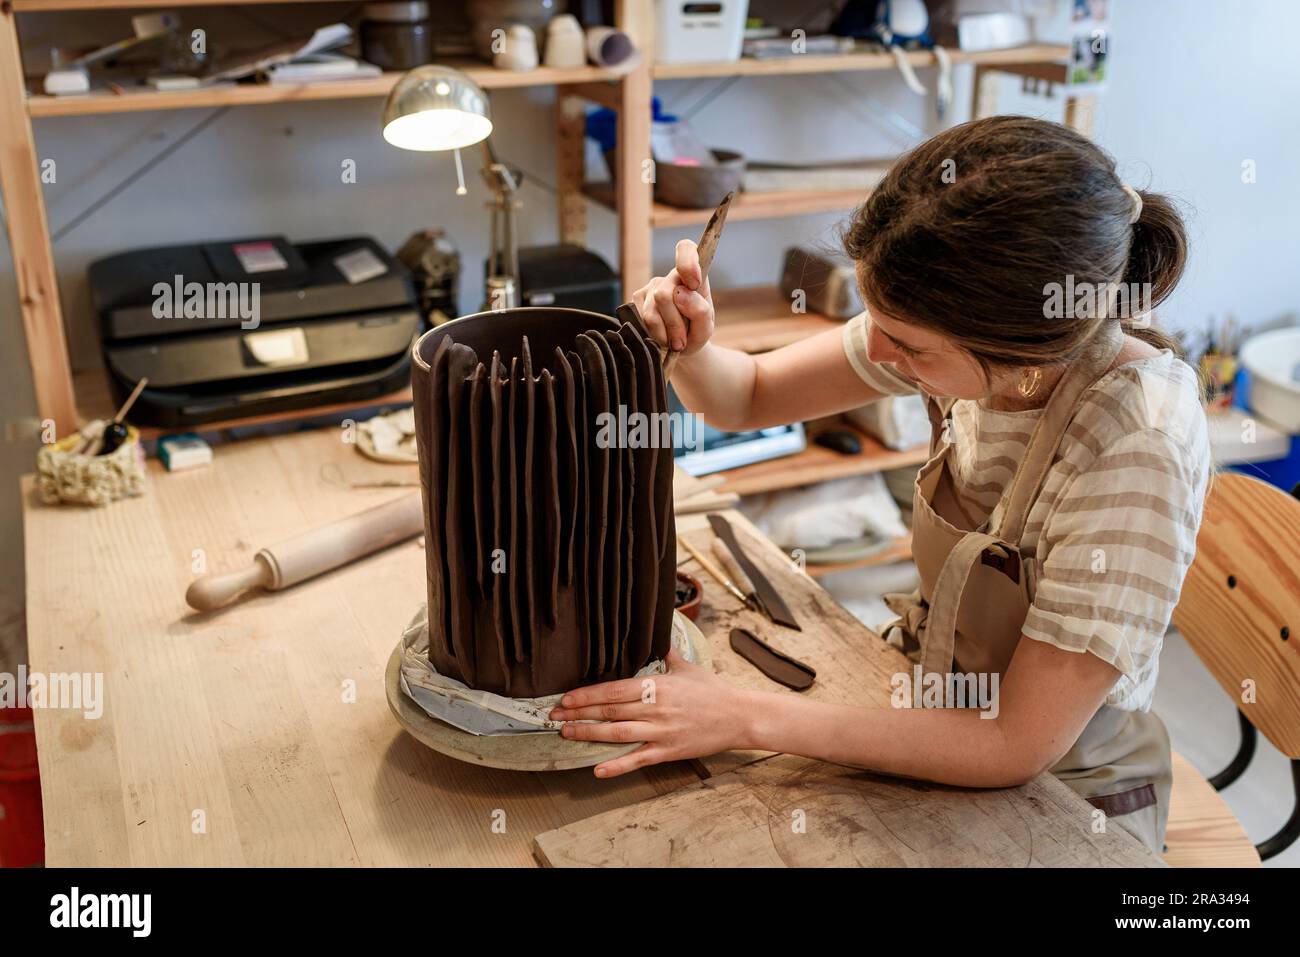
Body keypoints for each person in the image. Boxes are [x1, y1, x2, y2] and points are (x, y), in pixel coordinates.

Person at [548, 116, 1211, 855]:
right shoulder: (938, 329)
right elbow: (752, 393)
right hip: (930, 706)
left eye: (911, 345)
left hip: (1068, 792)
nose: (882, 351)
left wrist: (743, 716)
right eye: (881, 322)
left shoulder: (1137, 442)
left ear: (1022, 349)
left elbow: (1015, 742)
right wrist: (695, 345)